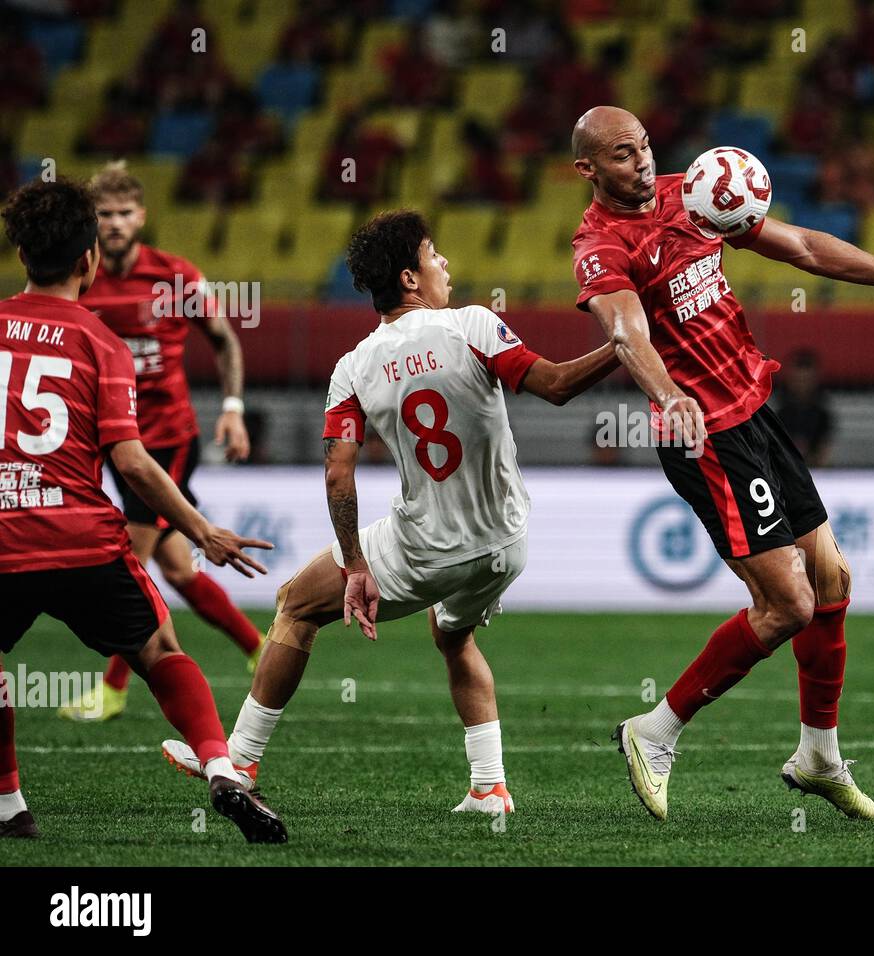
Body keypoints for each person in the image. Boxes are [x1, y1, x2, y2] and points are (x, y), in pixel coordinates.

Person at [569, 105, 874, 821]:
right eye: (620, 155)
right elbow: (626, 331)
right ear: (587, 169)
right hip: (706, 438)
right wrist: (669, 396)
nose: (640, 163)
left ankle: (818, 756)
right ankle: (654, 730)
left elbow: (807, 249)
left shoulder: (692, 193)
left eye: (643, 147)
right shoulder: (600, 247)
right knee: (788, 604)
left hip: (755, 413)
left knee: (831, 579)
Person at [161, 210, 620, 814]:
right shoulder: (473, 327)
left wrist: (355, 564)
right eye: (435, 256)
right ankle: (490, 787)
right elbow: (557, 385)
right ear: (410, 277)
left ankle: (240, 758)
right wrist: (622, 345)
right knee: (452, 636)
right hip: (508, 543)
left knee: (295, 604)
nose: (445, 265)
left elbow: (338, 472)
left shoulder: (354, 368)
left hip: (429, 545)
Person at [0, 178, 283, 842]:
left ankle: (10, 803)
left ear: (19, 257)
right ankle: (220, 769)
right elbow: (128, 462)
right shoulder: (102, 342)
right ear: (88, 260)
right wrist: (203, 527)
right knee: (159, 646)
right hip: (80, 537)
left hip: (5, 539)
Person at [58, 161, 263, 723]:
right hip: (113, 445)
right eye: (105, 215)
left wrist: (233, 409)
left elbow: (224, 342)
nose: (116, 224)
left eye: (125, 213)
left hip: (166, 442)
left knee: (130, 557)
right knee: (177, 568)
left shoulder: (175, 277)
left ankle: (114, 688)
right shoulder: (81, 279)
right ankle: (260, 650)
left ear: (143, 216)